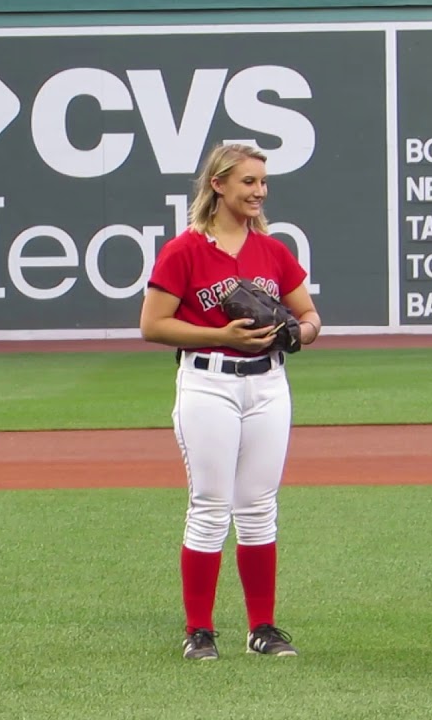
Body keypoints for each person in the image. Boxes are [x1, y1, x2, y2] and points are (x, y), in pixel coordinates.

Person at [139, 143, 321, 660]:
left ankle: (262, 627)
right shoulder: (186, 249)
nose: (259, 191)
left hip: (268, 385)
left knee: (260, 507)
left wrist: (298, 331)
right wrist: (222, 334)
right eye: (248, 182)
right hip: (208, 382)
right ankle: (199, 630)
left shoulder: (273, 250)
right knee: (211, 507)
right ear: (218, 185)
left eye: (263, 182)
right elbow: (153, 325)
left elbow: (310, 315)